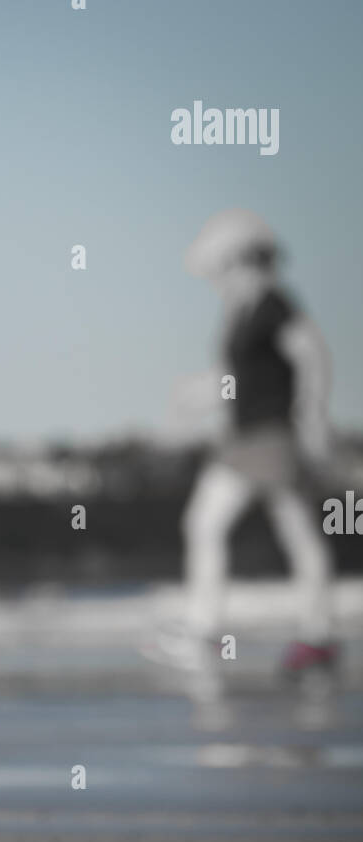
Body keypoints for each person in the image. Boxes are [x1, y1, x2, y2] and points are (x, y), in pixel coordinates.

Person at [170, 210, 335, 696]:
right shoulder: (242, 313)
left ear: (245, 263)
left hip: (271, 436)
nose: (219, 281)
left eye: (224, 270)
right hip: (245, 439)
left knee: (283, 531)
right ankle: (311, 635)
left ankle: (305, 635)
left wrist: (315, 417)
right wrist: (198, 397)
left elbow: (313, 354)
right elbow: (234, 382)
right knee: (244, 527)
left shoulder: (273, 306)